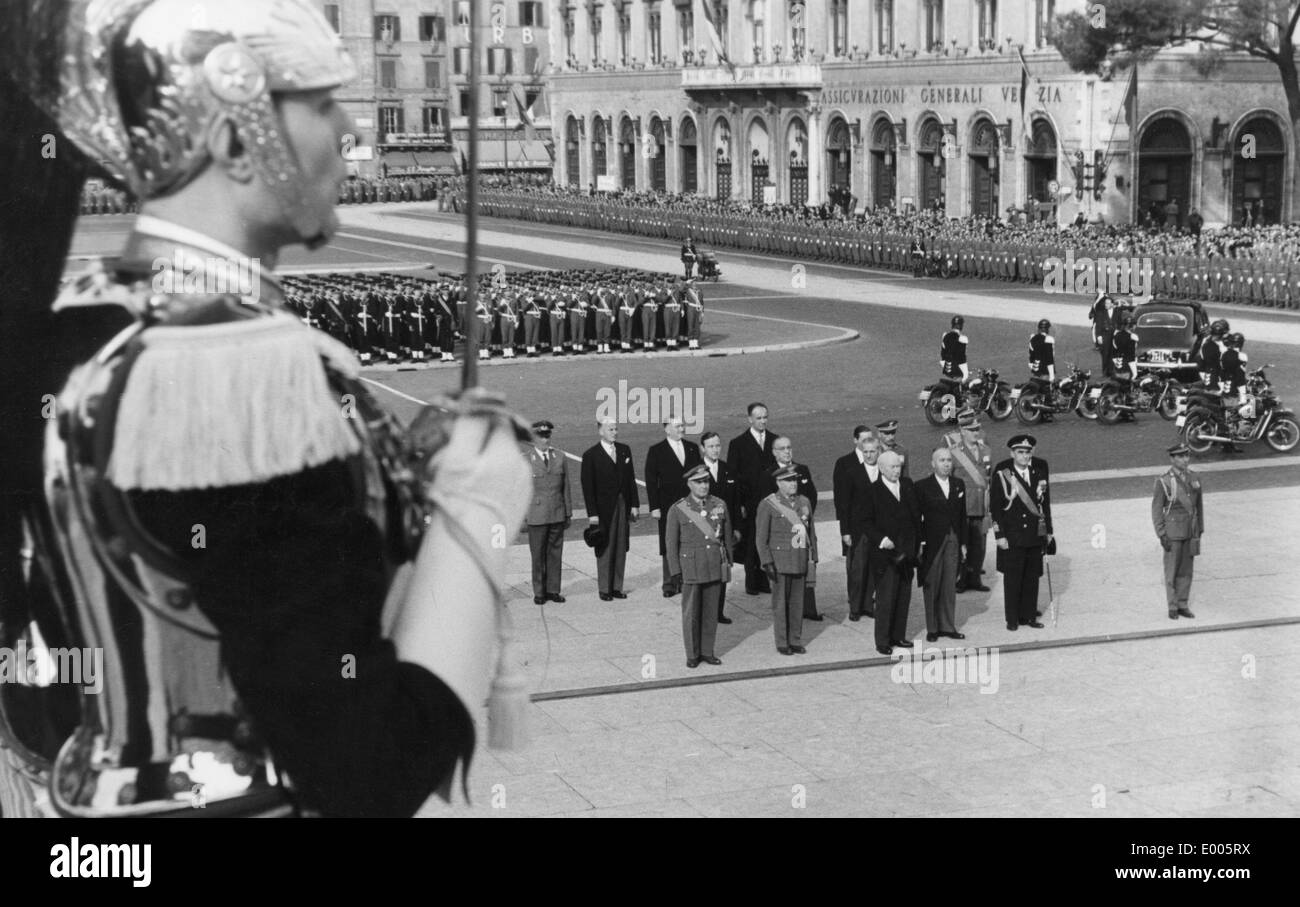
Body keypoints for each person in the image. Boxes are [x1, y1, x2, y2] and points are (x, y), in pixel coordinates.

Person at [0, 0, 530, 818]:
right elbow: (367, 766)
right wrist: (479, 504)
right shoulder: (238, 373)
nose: (349, 132)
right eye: (319, 104)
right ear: (232, 139)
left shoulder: (70, 327)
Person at [665, 465, 732, 668]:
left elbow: (727, 537)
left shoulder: (719, 504)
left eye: (706, 481)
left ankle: (707, 651)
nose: (704, 486)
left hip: (713, 565)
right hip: (691, 568)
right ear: (689, 484)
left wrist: (728, 562)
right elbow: (671, 543)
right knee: (691, 614)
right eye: (699, 482)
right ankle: (692, 654)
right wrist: (675, 571)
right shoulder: (678, 509)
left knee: (711, 613)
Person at [991, 435, 1054, 631]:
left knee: (1031, 578)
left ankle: (1029, 616)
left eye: (1028, 452)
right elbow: (996, 507)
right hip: (1013, 535)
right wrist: (999, 535)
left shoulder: (1039, 471)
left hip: (1035, 534)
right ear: (1012, 454)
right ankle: (1012, 619)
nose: (1025, 456)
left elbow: (1045, 504)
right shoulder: (1003, 474)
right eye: (1020, 452)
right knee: (1013, 579)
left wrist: (1049, 531)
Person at [755, 466, 818, 656]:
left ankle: (795, 640)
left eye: (794, 480)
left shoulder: (804, 501)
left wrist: (813, 556)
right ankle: (782, 641)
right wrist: (767, 563)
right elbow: (761, 538)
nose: (793, 484)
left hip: (799, 559)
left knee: (797, 604)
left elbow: (811, 532)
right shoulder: (768, 504)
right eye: (788, 480)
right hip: (779, 562)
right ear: (778, 483)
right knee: (781, 604)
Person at [862, 451, 921, 656]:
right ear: (881, 469)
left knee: (903, 596)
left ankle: (898, 635)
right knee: (886, 598)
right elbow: (866, 522)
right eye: (892, 467)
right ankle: (883, 640)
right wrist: (881, 540)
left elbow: (915, 516)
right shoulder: (872, 491)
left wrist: (918, 544)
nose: (896, 471)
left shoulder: (907, 485)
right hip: (885, 556)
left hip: (907, 552)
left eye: (898, 467)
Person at [580, 418, 640, 601]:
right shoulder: (591, 455)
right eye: (610, 429)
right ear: (601, 431)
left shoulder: (624, 450)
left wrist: (635, 504)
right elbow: (588, 488)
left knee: (621, 545)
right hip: (603, 510)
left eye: (615, 429)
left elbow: (631, 479)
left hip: (623, 505)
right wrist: (593, 515)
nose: (614, 432)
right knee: (605, 546)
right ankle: (604, 588)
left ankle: (616, 587)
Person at [645, 417, 703, 598]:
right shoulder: (656, 451)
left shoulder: (692, 448)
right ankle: (669, 583)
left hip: (690, 503)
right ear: (667, 429)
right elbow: (651, 480)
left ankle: (688, 579)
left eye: (682, 426)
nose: (682, 429)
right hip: (667, 505)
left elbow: (700, 474)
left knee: (690, 539)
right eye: (678, 426)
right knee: (669, 542)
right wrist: (654, 507)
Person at [915, 448, 969, 643]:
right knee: (932, 584)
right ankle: (933, 628)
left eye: (948, 460)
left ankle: (947, 625)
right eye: (941, 460)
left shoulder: (958, 484)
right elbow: (917, 518)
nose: (946, 464)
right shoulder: (921, 487)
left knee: (948, 584)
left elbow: (962, 516)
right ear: (933, 463)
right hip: (932, 542)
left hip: (953, 540)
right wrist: (920, 542)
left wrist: (963, 542)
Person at [768, 435, 822, 620]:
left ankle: (809, 609)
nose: (787, 451)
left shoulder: (802, 469)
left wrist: (804, 516)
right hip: (782, 532)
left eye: (789, 447)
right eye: (782, 448)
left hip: (802, 528)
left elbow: (811, 496)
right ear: (775, 452)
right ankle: (787, 612)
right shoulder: (768, 473)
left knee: (806, 566)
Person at [729, 403, 777, 595]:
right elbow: (733, 477)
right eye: (758, 418)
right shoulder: (738, 444)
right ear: (750, 419)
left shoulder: (775, 440)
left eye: (765, 417)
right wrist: (739, 504)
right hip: (749, 504)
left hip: (771, 502)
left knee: (766, 541)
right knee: (750, 543)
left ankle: (764, 581)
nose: (763, 421)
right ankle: (751, 582)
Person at [833, 427, 881, 621]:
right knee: (857, 571)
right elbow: (843, 503)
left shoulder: (884, 470)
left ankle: (868, 605)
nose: (869, 455)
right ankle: (855, 607)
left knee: (873, 569)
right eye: (866, 451)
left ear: (878, 451)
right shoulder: (852, 471)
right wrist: (845, 531)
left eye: (873, 451)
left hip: (878, 530)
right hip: (857, 530)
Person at [1152, 443, 1204, 620]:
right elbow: (1157, 509)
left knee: (1186, 570)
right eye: (1180, 457)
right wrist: (1161, 534)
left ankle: (1183, 603)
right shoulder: (1163, 481)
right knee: (1172, 571)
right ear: (1172, 459)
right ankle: (1172, 606)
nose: (1185, 460)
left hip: (1190, 530)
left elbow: (1198, 506)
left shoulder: (1194, 477)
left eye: (1187, 456)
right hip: (1172, 533)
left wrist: (1200, 529)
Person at [525, 420, 572, 605]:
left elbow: (566, 486)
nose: (545, 440)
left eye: (547, 436)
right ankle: (539, 591)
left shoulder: (560, 457)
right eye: (541, 436)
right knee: (537, 555)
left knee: (555, 553)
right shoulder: (526, 459)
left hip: (556, 512)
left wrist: (568, 512)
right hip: (536, 515)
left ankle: (553, 590)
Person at [945, 409, 993, 592]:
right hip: (964, 507)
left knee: (979, 545)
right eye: (972, 430)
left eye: (977, 429)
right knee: (962, 544)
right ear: (963, 432)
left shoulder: (986, 450)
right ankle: (961, 579)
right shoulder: (955, 453)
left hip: (981, 505)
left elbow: (989, 477)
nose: (976, 433)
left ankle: (975, 579)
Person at [700, 431, 740, 624]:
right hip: (704, 531)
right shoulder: (697, 472)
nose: (715, 450)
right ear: (703, 449)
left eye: (717, 446)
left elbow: (735, 502)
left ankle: (718, 612)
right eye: (711, 446)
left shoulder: (728, 469)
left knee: (722, 571)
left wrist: (736, 528)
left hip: (723, 531)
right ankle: (705, 612)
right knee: (705, 572)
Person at [940, 316, 969, 381]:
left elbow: (943, 351)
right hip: (954, 365)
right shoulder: (963, 339)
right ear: (961, 326)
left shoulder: (945, 335)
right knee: (963, 378)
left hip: (944, 363)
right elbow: (961, 356)